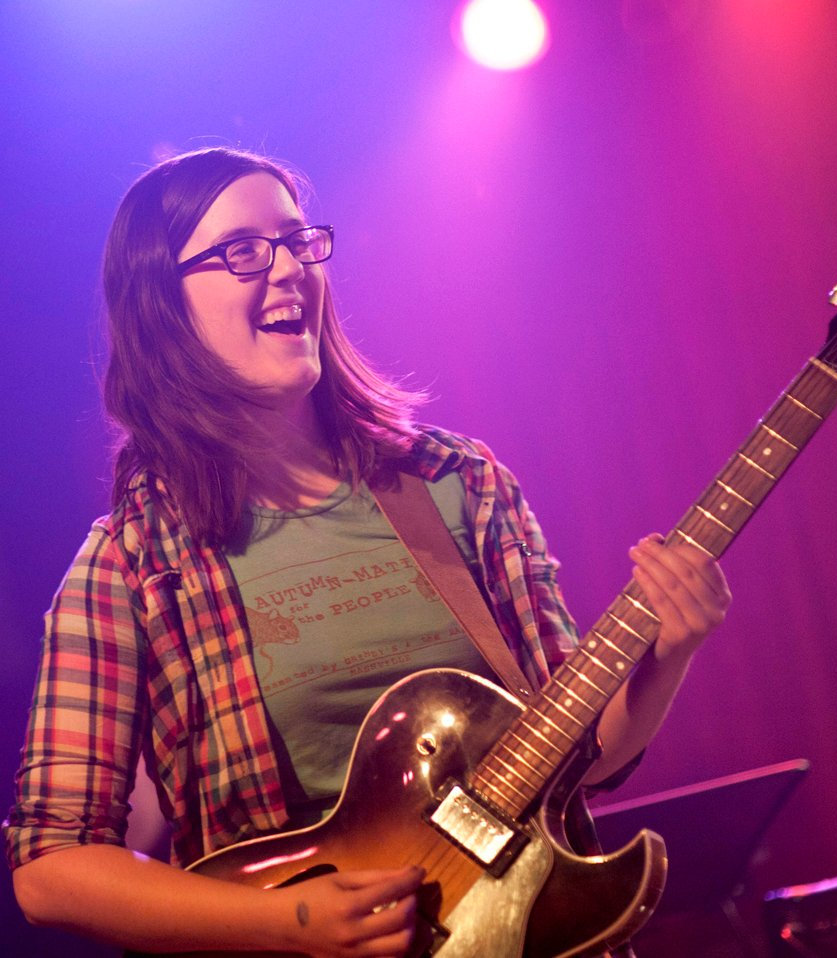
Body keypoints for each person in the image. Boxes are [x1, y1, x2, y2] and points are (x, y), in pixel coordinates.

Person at [4, 147, 730, 957]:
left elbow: (578, 759)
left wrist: (667, 654)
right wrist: (292, 922)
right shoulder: (131, 563)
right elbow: (51, 867)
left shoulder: (458, 480)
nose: (286, 271)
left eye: (296, 241)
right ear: (160, 309)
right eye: (242, 251)